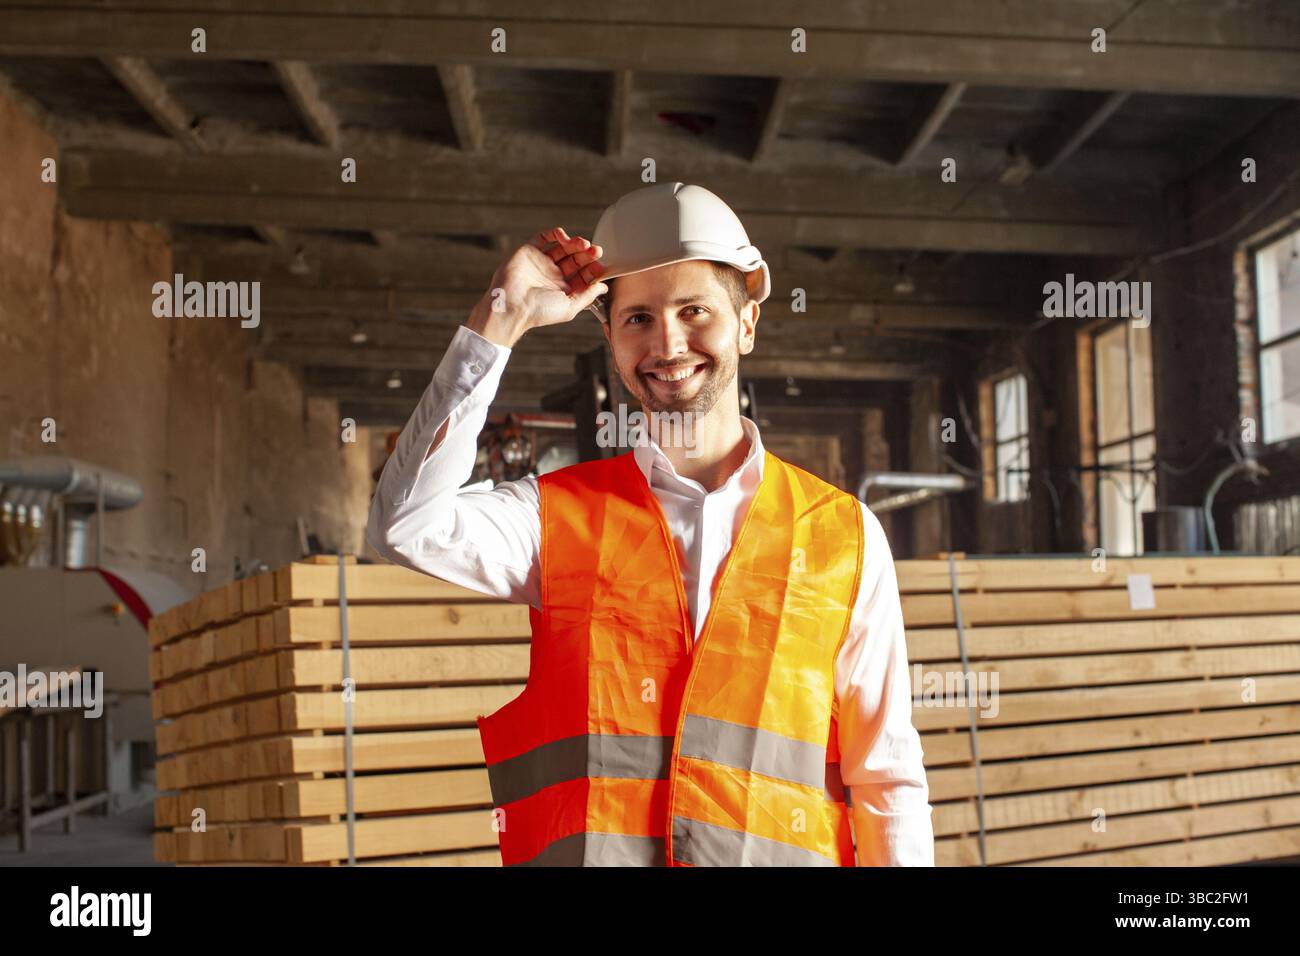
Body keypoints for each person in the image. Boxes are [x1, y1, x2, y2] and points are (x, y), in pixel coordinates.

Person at [366, 181, 934, 867]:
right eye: (637, 318)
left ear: (747, 324)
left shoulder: (844, 536)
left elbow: (887, 776)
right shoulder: (557, 520)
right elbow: (403, 525)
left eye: (695, 311)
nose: (667, 342)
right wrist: (503, 314)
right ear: (609, 339)